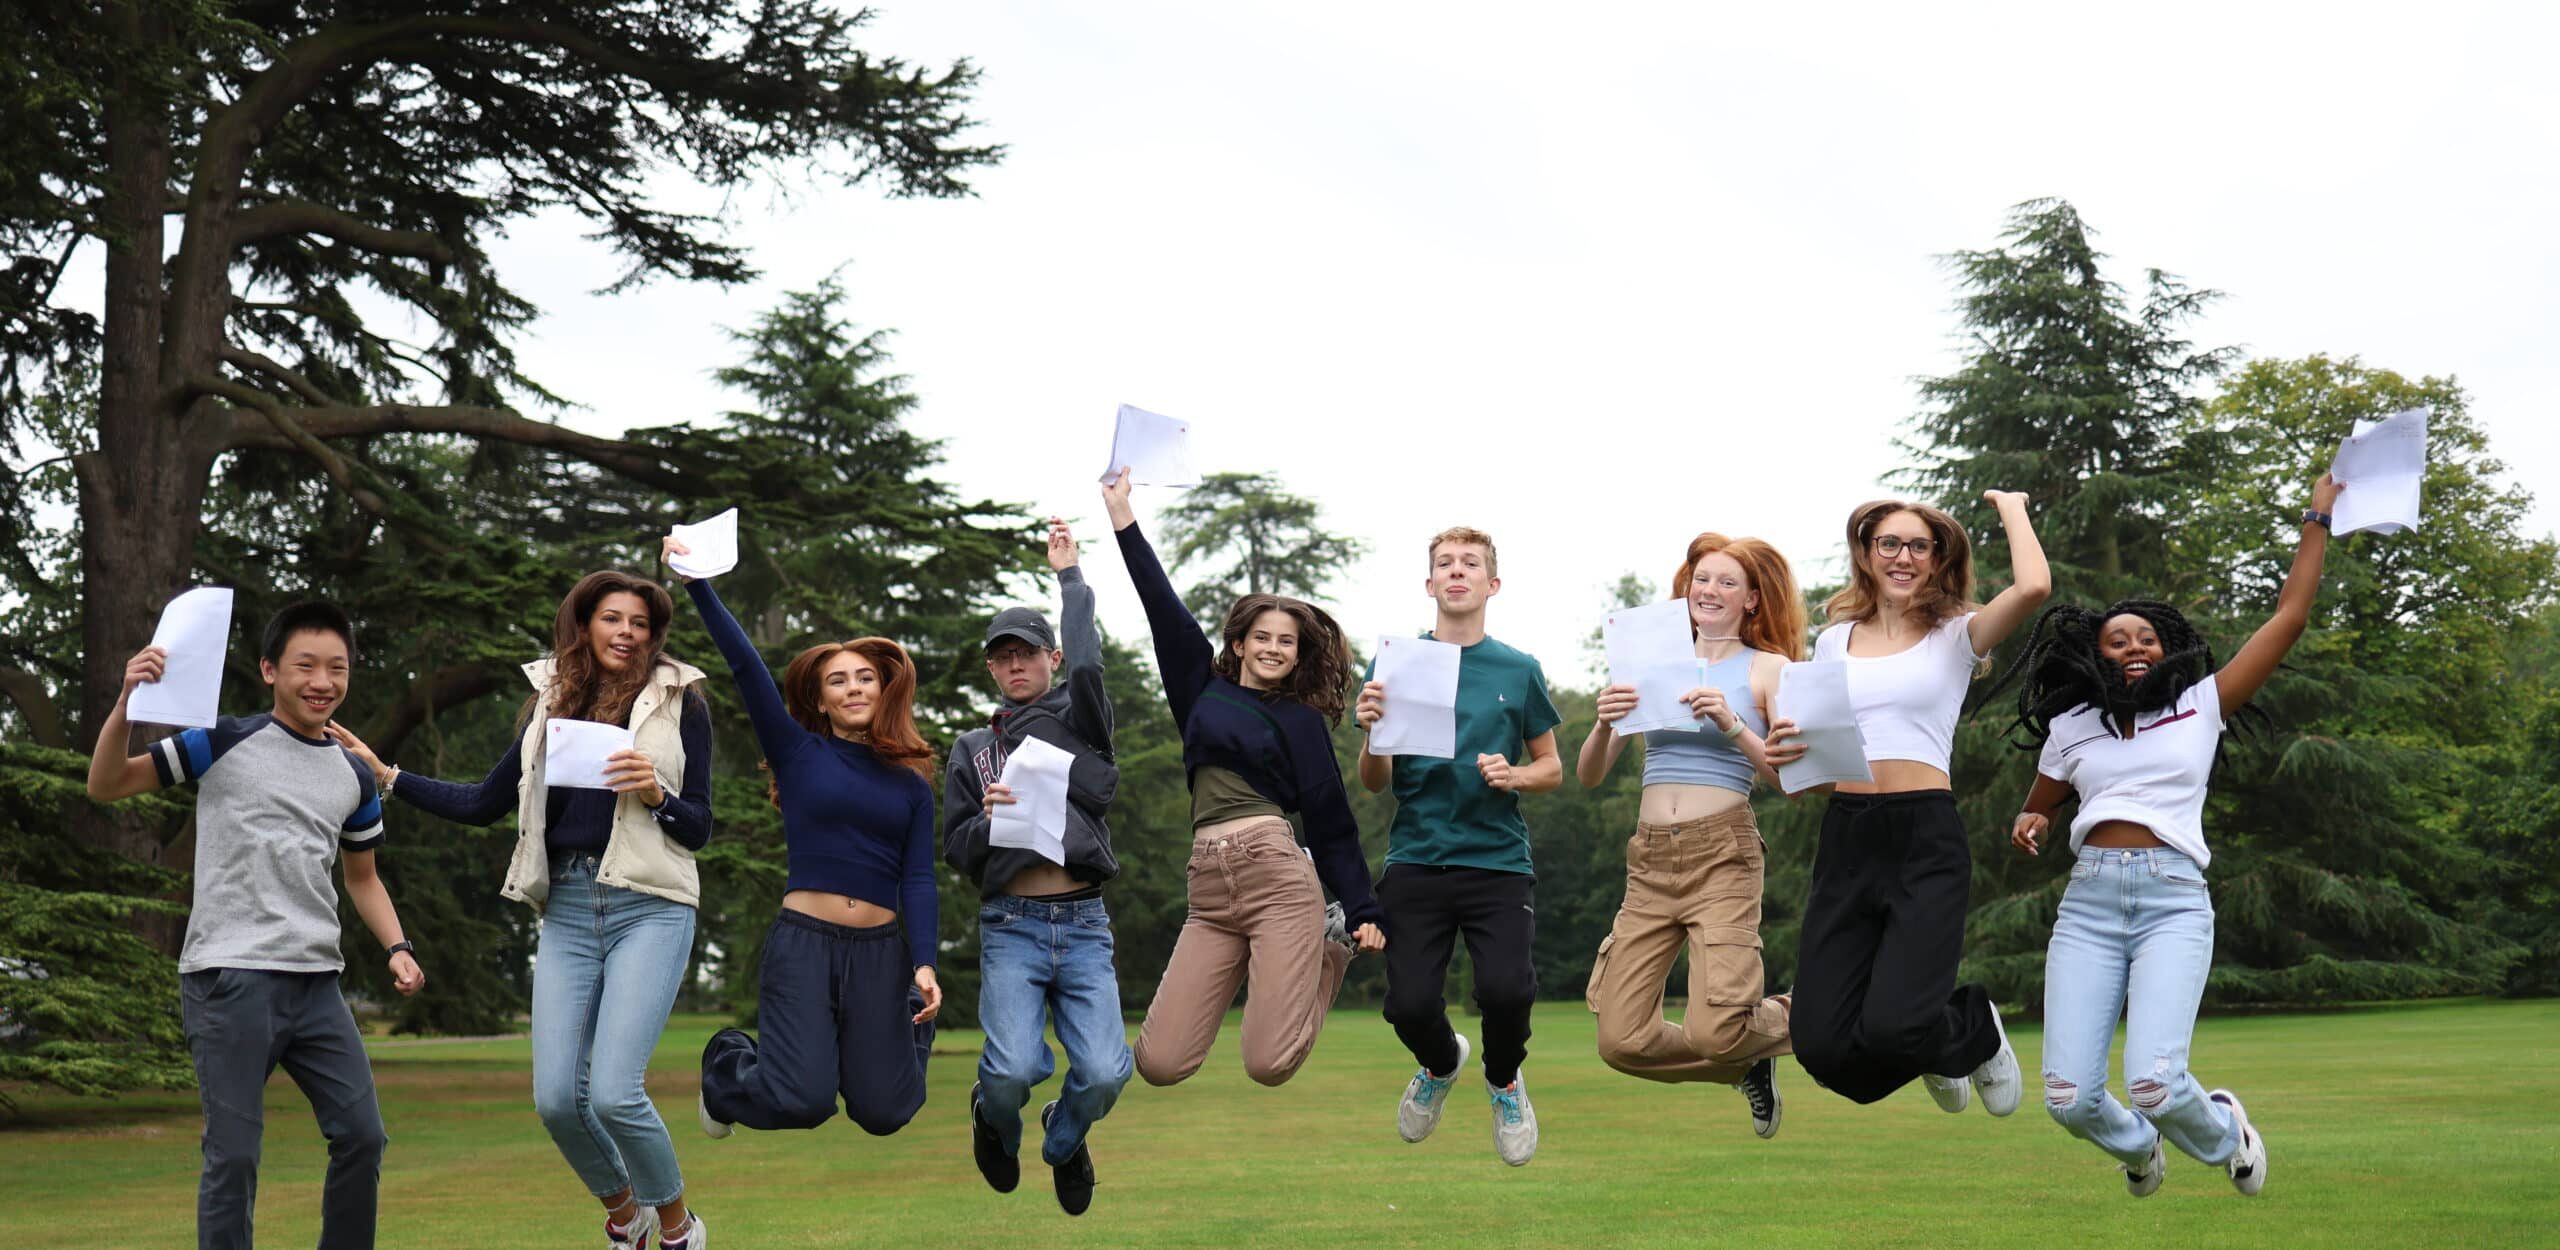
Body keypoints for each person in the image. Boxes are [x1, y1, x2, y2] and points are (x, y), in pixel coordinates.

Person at [329, 572, 712, 1250]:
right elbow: (484, 802)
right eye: (612, 618)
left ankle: (679, 1229)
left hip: (651, 907)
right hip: (567, 905)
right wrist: (386, 775)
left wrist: (658, 795)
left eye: (640, 623)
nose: (627, 632)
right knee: (557, 1100)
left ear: (655, 635)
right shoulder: (552, 703)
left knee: (615, 1093)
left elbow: (700, 826)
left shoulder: (683, 702)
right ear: (584, 625)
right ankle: (627, 1218)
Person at [1988, 476, 2340, 1198]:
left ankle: (2227, 1133)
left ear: (2167, 646)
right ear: (2096, 655)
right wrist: (2031, 822)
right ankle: (2139, 1148)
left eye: (2147, 638)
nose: (2135, 648)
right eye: (2118, 640)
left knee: (2154, 1082)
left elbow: (2289, 619)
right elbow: (2038, 808)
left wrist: (2317, 517)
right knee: (2068, 1099)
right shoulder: (2070, 727)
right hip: (2088, 907)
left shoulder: (2200, 705)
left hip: (2172, 901)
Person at [88, 600, 424, 1250]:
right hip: (229, 978)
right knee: (235, 1155)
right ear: (270, 670)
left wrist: (398, 946)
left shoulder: (355, 774)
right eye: (305, 665)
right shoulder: (220, 741)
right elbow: (108, 784)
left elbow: (363, 878)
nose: (322, 681)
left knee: (362, 1136)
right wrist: (127, 703)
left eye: (337, 668)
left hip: (317, 986)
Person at [664, 537, 939, 1189]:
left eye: (864, 677)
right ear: (819, 700)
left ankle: (901, 1013)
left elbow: (919, 878)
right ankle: (726, 1064)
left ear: (883, 688)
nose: (853, 687)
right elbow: (745, 666)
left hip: (880, 952)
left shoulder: (911, 784)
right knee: (804, 1100)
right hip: (805, 944)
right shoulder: (796, 752)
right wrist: (698, 583)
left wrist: (925, 962)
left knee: (887, 1110)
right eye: (837, 680)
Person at [1101, 469, 1387, 1092]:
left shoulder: (1301, 721)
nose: (1274, 648)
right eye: (1262, 637)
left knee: (1269, 1063)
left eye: (1287, 641)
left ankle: (1331, 947)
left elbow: (1331, 821)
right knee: (1160, 1063)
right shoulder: (1200, 690)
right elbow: (1163, 609)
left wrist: (1361, 908)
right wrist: (1123, 517)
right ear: (1238, 643)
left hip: (1277, 877)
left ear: (1298, 654)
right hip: (1208, 886)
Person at [1771, 491, 2049, 1113]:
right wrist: (1789, 752)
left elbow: (2033, 587)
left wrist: (2011, 506)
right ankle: (1941, 1044)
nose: (1903, 557)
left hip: (1924, 834)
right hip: (1847, 836)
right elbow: (1820, 761)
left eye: (1919, 546)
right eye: (1889, 544)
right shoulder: (1832, 642)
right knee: (1820, 1048)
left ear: (1937, 559)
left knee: (1894, 1029)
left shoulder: (1955, 636)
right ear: (1866, 554)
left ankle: (1971, 1027)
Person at [1573, 532, 1802, 1138]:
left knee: (1715, 1030)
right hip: (1649, 860)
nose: (1710, 590)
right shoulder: (1651, 665)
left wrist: (1732, 723)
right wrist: (1604, 724)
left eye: (1728, 582)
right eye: (1702, 579)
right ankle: (1744, 1063)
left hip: (1722, 854)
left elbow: (1791, 782)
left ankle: (1809, 1018)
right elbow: (1590, 775)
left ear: (1751, 599)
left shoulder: (1768, 669)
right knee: (1620, 1040)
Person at [1356, 525, 1563, 1167]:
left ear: (1491, 584)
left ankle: (1503, 1081)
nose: (1456, 571)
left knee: (1507, 992)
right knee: (1409, 1005)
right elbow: (1374, 782)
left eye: (1470, 563)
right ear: (1429, 584)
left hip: (1496, 861)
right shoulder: (1397, 664)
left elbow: (1552, 767)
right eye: (1444, 563)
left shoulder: (1518, 669)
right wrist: (1371, 733)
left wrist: (1515, 774)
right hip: (1416, 858)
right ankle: (1442, 1063)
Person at [942, 517, 1131, 1216]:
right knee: (1012, 1070)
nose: (1015, 665)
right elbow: (956, 847)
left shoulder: (1083, 721)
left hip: (1083, 922)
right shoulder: (972, 749)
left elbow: (1090, 665)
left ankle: (1063, 1136)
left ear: (1051, 657)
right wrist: (990, 822)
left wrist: (1070, 578)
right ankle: (992, 1115)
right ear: (992, 669)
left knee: (1106, 1072)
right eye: (1003, 657)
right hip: (1011, 922)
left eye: (1026, 653)